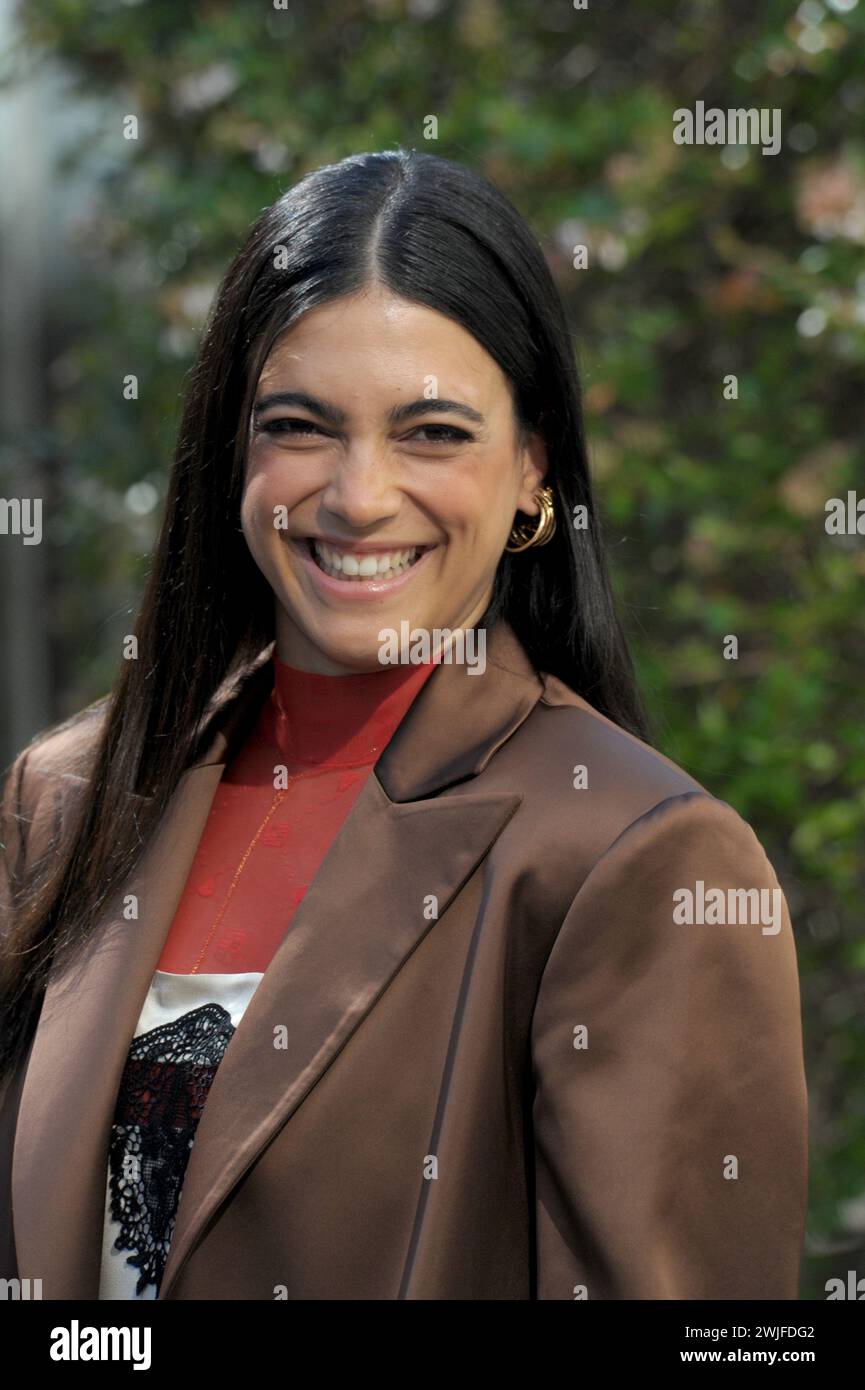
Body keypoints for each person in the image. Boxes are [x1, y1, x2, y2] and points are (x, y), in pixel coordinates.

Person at [0, 147, 807, 1300]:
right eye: (301, 424)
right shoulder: (63, 800)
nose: (358, 496)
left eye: (432, 433)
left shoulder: (638, 860)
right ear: (235, 449)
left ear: (533, 469)